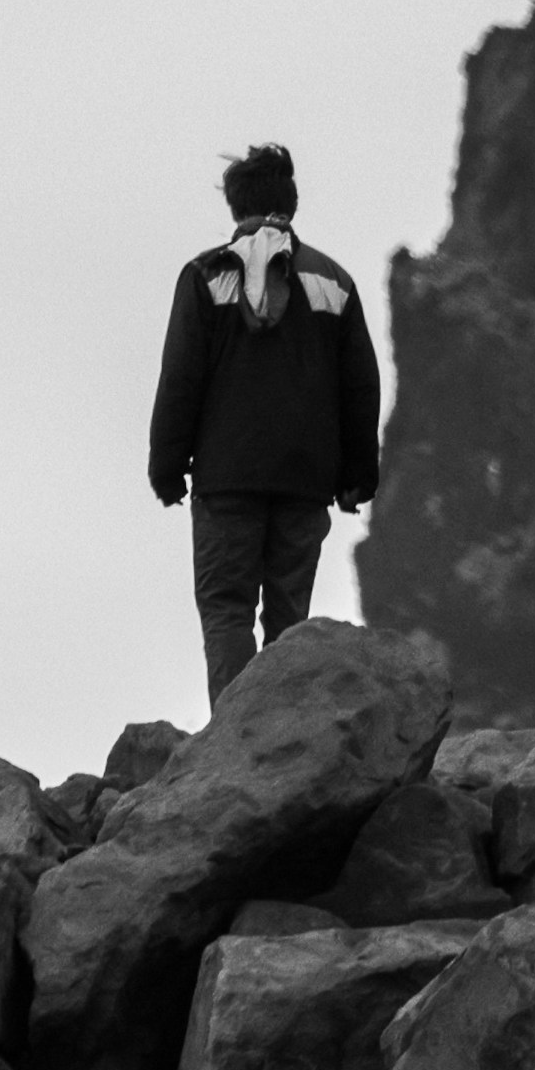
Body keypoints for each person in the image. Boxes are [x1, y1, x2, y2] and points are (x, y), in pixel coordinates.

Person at [148, 143, 383, 702]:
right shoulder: (335, 283)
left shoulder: (206, 277)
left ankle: (233, 745)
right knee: (288, 619)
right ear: (292, 202)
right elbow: (360, 388)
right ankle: (289, 743)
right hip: (305, 481)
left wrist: (166, 468)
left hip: (226, 478)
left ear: (235, 205)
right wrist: (358, 476)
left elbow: (181, 378)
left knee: (227, 609)